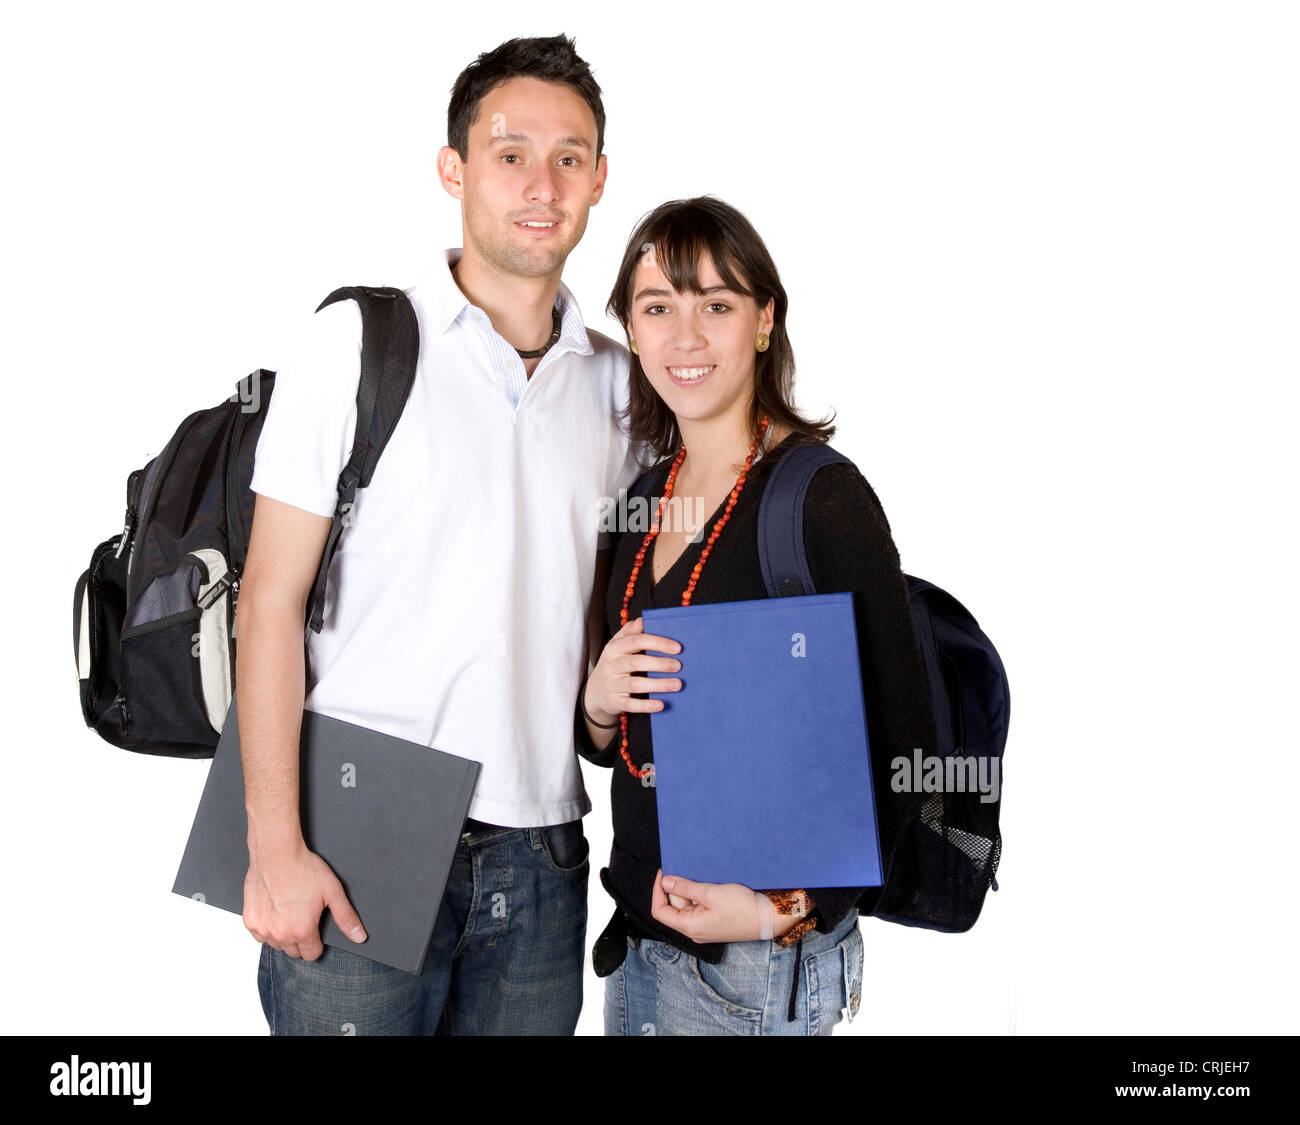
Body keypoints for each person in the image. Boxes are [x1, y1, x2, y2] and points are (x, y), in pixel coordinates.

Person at [239, 35, 641, 1035]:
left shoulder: (622, 387)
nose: (540, 183)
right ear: (453, 169)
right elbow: (267, 603)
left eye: (569, 156)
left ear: (599, 179)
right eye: (509, 154)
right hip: (356, 829)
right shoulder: (357, 345)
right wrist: (274, 847)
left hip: (545, 853)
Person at [577, 197, 937, 1036]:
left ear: (765, 320)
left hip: (756, 965)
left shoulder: (819, 497)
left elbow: (910, 750)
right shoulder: (640, 499)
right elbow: (619, 747)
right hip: (638, 946)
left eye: (718, 304)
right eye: (657, 307)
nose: (686, 337)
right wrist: (595, 704)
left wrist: (787, 906)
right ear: (631, 330)